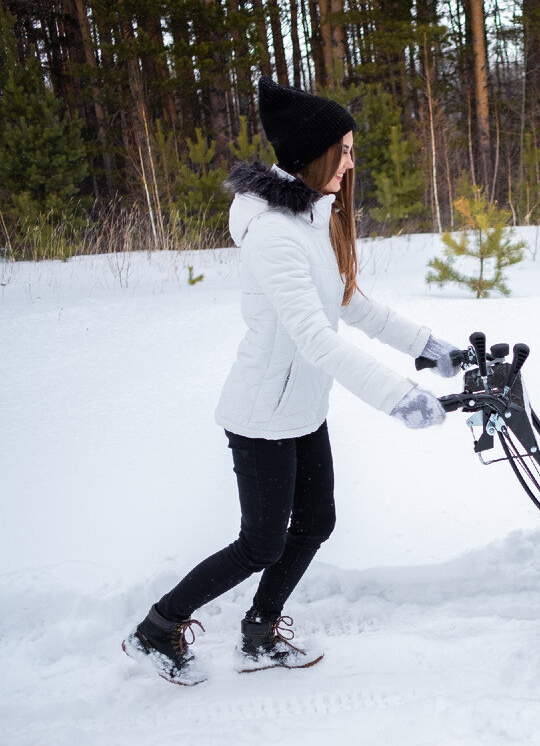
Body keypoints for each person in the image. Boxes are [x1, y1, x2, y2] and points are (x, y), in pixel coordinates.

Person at [122, 77, 458, 686]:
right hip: (261, 415)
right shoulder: (274, 234)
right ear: (313, 153)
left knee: (316, 523)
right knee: (259, 545)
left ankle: (258, 631)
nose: (353, 161)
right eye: (346, 150)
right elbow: (315, 337)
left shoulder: (307, 221)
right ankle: (155, 628)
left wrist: (428, 348)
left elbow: (350, 305)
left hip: (303, 408)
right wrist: (398, 396)